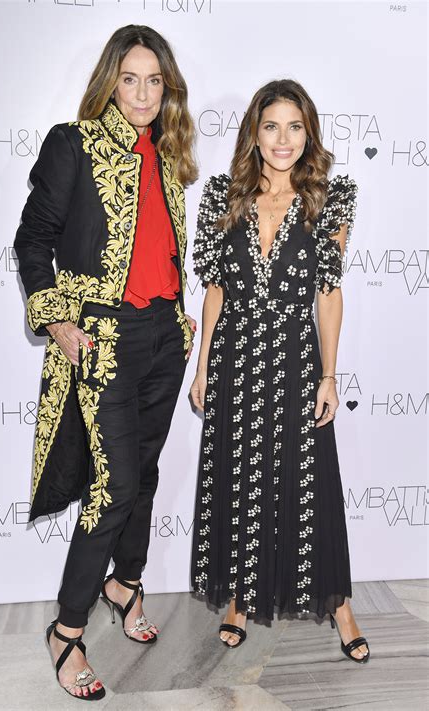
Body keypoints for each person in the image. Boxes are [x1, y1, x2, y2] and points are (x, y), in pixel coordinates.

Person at [14, 24, 197, 700]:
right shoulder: (75, 143)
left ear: (166, 88)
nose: (143, 94)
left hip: (164, 338)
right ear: (110, 83)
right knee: (112, 486)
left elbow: (161, 248)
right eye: (130, 79)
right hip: (104, 339)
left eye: (154, 81)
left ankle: (126, 581)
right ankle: (67, 628)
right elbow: (33, 239)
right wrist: (58, 320)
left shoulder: (168, 154)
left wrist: (181, 316)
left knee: (142, 473)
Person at [190, 79, 369, 663]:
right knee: (239, 477)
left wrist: (329, 375)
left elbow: (329, 294)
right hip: (236, 358)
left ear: (308, 134)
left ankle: (340, 605)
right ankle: (240, 597)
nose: (283, 139)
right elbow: (215, 290)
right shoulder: (223, 197)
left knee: (310, 483)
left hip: (296, 360)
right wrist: (202, 367)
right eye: (271, 126)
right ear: (255, 132)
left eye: (295, 127)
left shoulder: (328, 200)